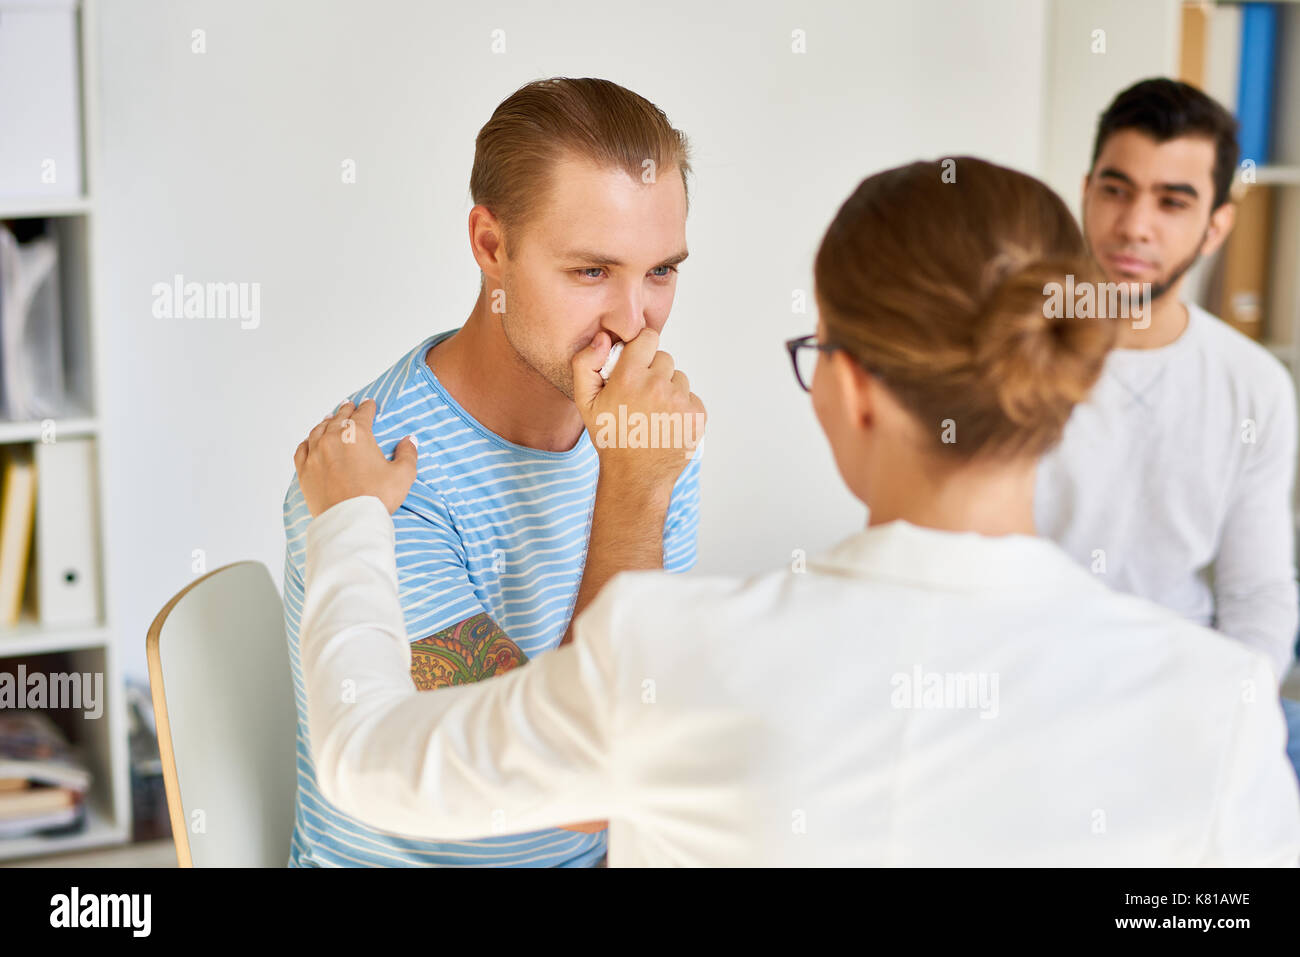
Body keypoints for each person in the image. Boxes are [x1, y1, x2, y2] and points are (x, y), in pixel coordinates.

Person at [293, 157, 1300, 865]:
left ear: (850, 389)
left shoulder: (671, 658)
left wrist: (346, 525)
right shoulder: (1217, 707)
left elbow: (361, 759)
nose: (631, 317)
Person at [279, 77, 705, 867]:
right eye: (590, 272)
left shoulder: (651, 436)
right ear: (491, 246)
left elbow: (649, 722)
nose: (632, 321)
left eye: (660, 272)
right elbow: (580, 789)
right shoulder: (377, 483)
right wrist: (634, 486)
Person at [1034, 77, 1300, 784]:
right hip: (1033, 689)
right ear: (1086, 191)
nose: (1134, 225)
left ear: (1216, 224)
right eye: (1117, 190)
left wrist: (1223, 718)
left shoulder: (1255, 386)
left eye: (1172, 201)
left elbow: (1259, 597)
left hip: (1183, 691)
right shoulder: (1014, 354)